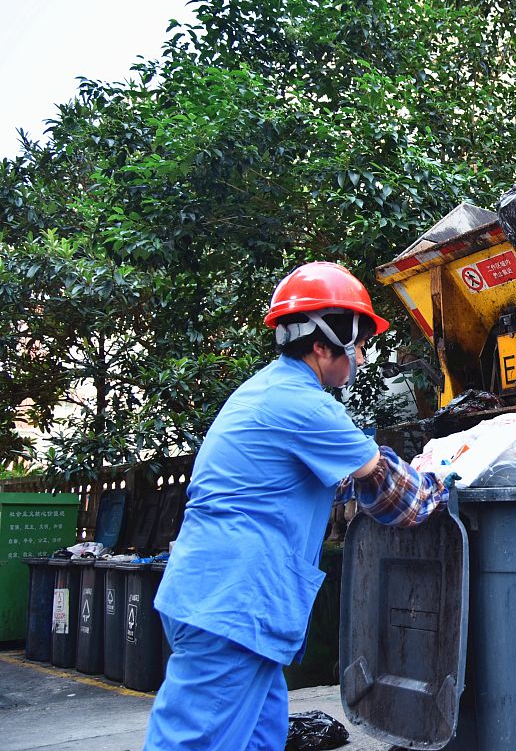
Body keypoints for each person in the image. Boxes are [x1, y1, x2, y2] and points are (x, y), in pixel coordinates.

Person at [144, 261, 447, 751]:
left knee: (261, 737)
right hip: (234, 607)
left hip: (219, 599)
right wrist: (447, 480)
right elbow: (400, 498)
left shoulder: (264, 392)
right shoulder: (306, 406)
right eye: (362, 342)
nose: (363, 357)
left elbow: (326, 484)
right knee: (196, 742)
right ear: (329, 339)